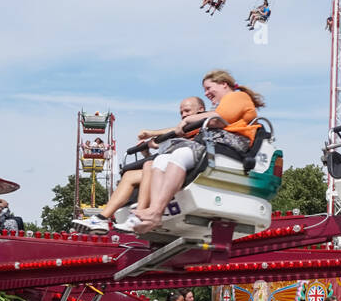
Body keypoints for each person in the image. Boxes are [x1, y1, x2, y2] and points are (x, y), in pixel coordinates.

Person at [131, 71, 264, 233]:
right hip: (217, 141)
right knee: (161, 160)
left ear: (224, 84)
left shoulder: (237, 97)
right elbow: (191, 128)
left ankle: (155, 212)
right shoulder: (221, 105)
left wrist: (187, 120)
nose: (207, 93)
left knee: (180, 154)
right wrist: (153, 135)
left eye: (209, 88)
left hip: (231, 143)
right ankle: (155, 210)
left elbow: (219, 119)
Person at [77, 98, 206, 232]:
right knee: (129, 175)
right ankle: (102, 218)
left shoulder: (202, 123)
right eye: (181, 112)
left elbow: (178, 130)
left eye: (187, 111)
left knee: (149, 165)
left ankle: (139, 214)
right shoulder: (184, 132)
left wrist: (152, 133)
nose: (184, 115)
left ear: (200, 109)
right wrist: (146, 152)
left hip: (188, 162)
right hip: (168, 164)